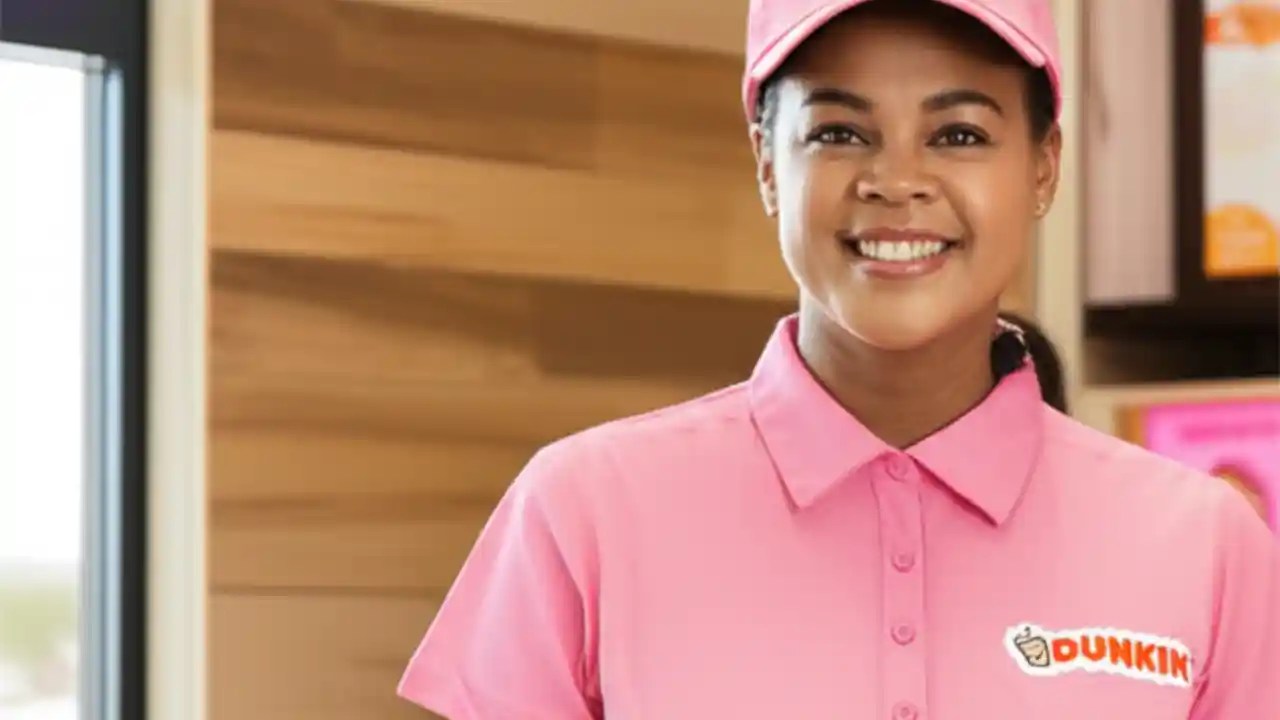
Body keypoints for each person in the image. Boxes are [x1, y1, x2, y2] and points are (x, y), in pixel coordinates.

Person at [397, 1, 1279, 717]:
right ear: (767, 164)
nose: (896, 181)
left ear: (1044, 165)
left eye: (960, 134)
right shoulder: (581, 512)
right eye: (839, 134)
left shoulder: (1209, 545)